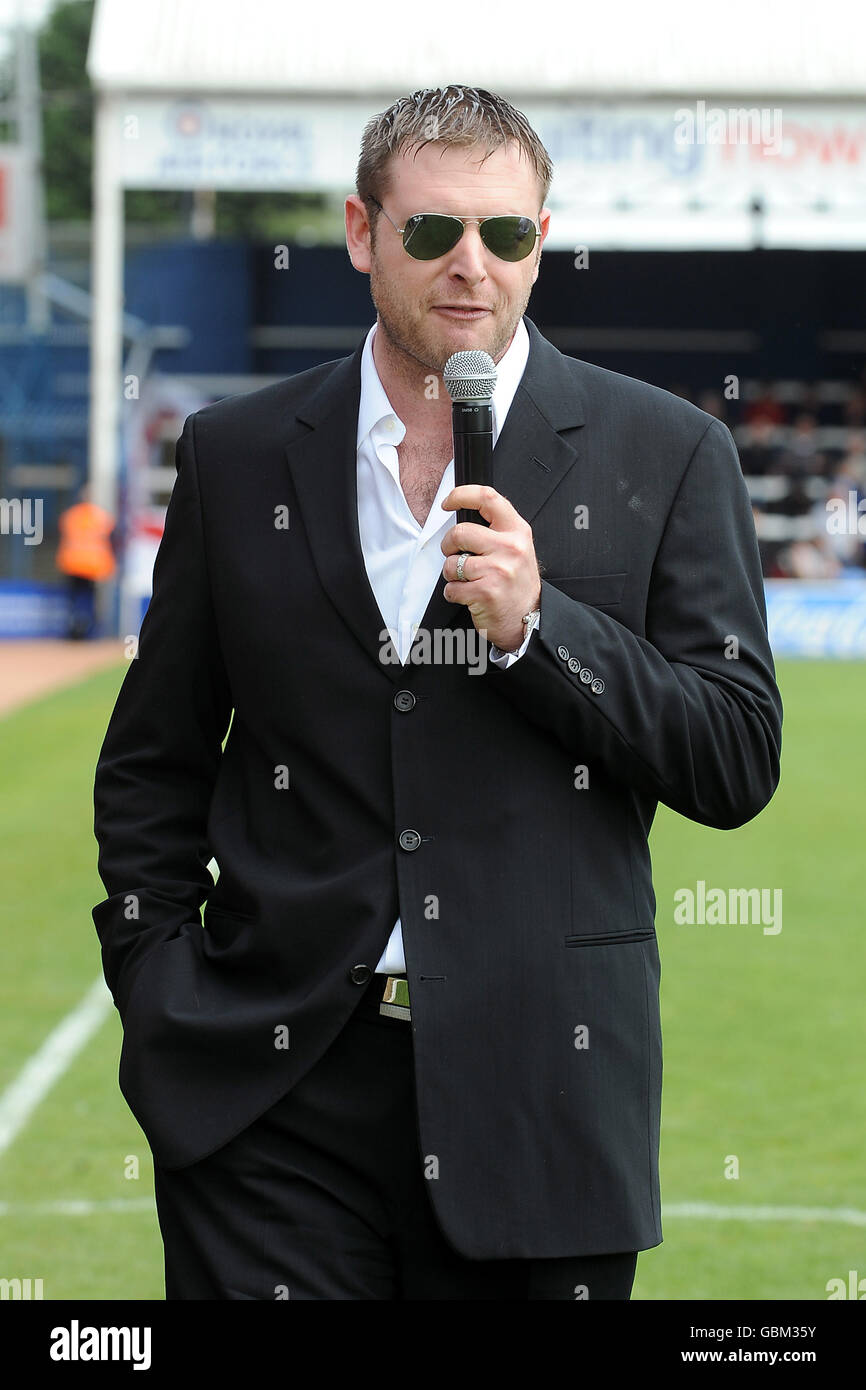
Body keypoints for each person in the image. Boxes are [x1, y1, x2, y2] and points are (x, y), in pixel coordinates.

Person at [92, 84, 783, 1301]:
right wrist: (156, 976)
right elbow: (156, 755)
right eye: (431, 232)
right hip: (270, 1095)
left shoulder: (667, 452)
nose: (472, 265)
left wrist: (537, 629)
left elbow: (732, 757)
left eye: (505, 234)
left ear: (540, 238)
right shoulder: (236, 451)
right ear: (362, 233)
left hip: (543, 1098)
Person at [56, 484, 116, 639]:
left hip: (74, 565)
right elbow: (110, 540)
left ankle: (75, 630)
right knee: (88, 600)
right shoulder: (102, 517)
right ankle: (88, 631)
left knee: (75, 600)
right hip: (92, 567)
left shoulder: (71, 516)